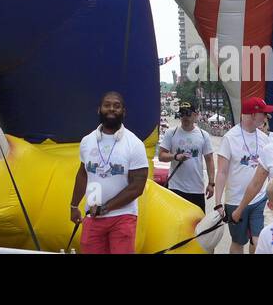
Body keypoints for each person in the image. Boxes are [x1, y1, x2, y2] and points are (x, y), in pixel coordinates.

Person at [70, 91, 150, 255]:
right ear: (99, 109)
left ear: (124, 112)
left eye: (117, 106)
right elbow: (83, 174)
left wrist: (105, 208)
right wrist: (74, 205)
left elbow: (137, 186)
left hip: (123, 216)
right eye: (107, 105)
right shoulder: (87, 141)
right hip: (92, 215)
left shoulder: (134, 144)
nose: (111, 109)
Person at [213, 97, 273, 254]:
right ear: (253, 115)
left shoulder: (265, 139)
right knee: (238, 242)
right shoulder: (230, 138)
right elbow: (221, 172)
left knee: (259, 240)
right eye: (264, 114)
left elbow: (271, 170)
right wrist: (218, 202)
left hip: (260, 198)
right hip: (235, 200)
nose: (266, 118)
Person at [157, 102, 214, 213]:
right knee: (175, 225)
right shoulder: (171, 133)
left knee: (197, 226)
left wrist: (211, 183)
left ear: (195, 115)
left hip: (196, 189)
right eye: (182, 114)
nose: (184, 117)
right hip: (175, 188)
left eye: (188, 114)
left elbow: (210, 160)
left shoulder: (203, 135)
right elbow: (161, 156)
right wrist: (175, 156)